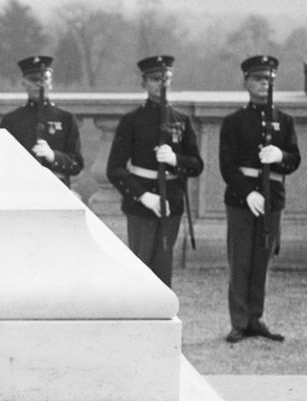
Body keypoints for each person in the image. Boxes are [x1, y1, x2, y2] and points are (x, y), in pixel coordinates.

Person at [220, 55, 301, 343]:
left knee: (261, 260)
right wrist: (248, 192)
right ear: (246, 82)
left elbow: (294, 160)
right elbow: (227, 165)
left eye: (268, 79)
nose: (263, 84)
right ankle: (239, 321)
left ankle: (256, 317)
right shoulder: (234, 122)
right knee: (240, 260)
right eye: (257, 79)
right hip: (243, 200)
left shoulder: (285, 121)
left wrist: (281, 156)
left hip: (272, 199)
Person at [106, 55, 203, 287]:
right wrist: (143, 195)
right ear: (144, 83)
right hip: (142, 201)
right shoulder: (132, 120)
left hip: (171, 198)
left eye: (166, 78)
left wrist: (174, 159)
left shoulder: (181, 120)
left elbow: (196, 165)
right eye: (155, 79)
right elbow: (115, 169)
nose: (162, 84)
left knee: (163, 266)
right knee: (140, 265)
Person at [0, 55, 83, 187]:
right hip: (22, 188)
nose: (39, 84)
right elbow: (2, 163)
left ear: (51, 83)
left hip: (57, 189)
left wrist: (53, 156)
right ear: (24, 83)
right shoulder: (11, 120)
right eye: (33, 80)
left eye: (44, 79)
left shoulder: (65, 119)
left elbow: (76, 164)